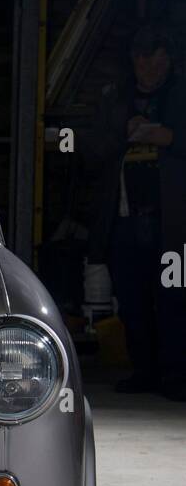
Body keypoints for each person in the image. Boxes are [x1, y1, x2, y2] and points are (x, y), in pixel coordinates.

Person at [87, 25, 186, 398]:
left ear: (169, 60)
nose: (149, 68)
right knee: (133, 300)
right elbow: (91, 151)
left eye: (157, 59)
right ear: (134, 61)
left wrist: (171, 138)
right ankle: (144, 371)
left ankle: (176, 376)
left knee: (175, 298)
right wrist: (121, 132)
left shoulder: (181, 95)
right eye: (143, 59)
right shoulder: (116, 100)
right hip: (126, 220)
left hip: (174, 223)